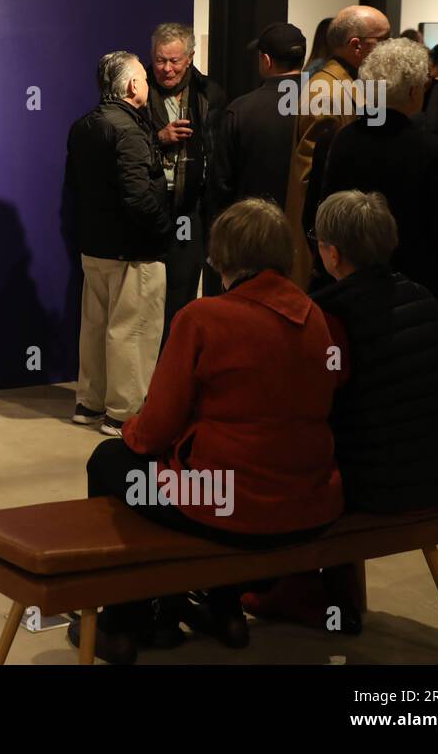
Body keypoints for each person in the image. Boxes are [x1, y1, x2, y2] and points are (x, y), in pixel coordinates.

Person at [79, 198, 342, 662]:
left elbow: (153, 431)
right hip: (308, 500)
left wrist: (133, 433)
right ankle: (223, 610)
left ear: (221, 255)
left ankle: (122, 621)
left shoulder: (203, 319)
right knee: (213, 469)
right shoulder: (316, 317)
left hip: (229, 504)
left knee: (112, 464)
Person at [244, 190, 438, 628]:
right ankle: (330, 595)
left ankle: (295, 589)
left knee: (284, 464)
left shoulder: (326, 315)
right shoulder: (420, 295)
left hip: (389, 491)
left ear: (333, 254)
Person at [315, 39, 438, 311]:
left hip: (351, 283)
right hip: (416, 286)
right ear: (412, 92)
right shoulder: (435, 151)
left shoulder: (337, 142)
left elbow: (321, 211)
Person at [67, 52, 172, 436]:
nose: (148, 83)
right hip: (133, 250)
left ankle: (89, 404)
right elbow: (139, 198)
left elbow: (74, 189)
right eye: (144, 77)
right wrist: (163, 230)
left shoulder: (82, 127)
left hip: (94, 247)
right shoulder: (129, 131)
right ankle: (123, 414)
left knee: (94, 328)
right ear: (132, 86)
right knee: (133, 330)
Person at [284, 4, 391, 288]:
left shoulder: (345, 84)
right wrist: (321, 252)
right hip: (332, 250)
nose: (389, 47)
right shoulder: (327, 91)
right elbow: (309, 179)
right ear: (356, 45)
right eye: (384, 40)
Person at [144, 22, 227, 334]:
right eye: (160, 60)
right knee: (145, 301)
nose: (166, 69)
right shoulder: (137, 90)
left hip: (190, 208)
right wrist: (159, 137)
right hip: (148, 209)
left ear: (190, 58)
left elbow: (219, 154)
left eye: (174, 61)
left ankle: (176, 367)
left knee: (183, 296)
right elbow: (120, 146)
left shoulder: (209, 94)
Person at [210, 22, 306, 213]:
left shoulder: (240, 110)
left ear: (266, 60)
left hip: (253, 227)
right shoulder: (325, 104)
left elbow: (221, 184)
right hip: (307, 229)